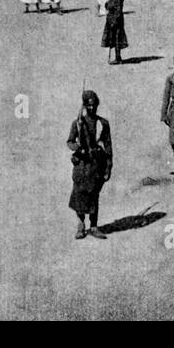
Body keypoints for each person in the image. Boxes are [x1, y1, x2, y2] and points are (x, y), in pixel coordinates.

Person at [67, 90, 112, 240]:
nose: (92, 108)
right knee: (79, 194)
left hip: (96, 164)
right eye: (89, 105)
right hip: (82, 165)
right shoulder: (78, 123)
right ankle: (81, 225)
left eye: (94, 105)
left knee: (94, 195)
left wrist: (108, 167)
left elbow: (108, 146)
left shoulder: (102, 123)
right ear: (85, 106)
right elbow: (70, 141)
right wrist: (77, 147)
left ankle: (94, 226)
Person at [102, 0, 127, 64]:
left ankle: (118, 58)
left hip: (115, 19)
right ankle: (117, 57)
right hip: (112, 18)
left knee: (117, 39)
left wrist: (114, 21)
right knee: (114, 38)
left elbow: (118, 9)